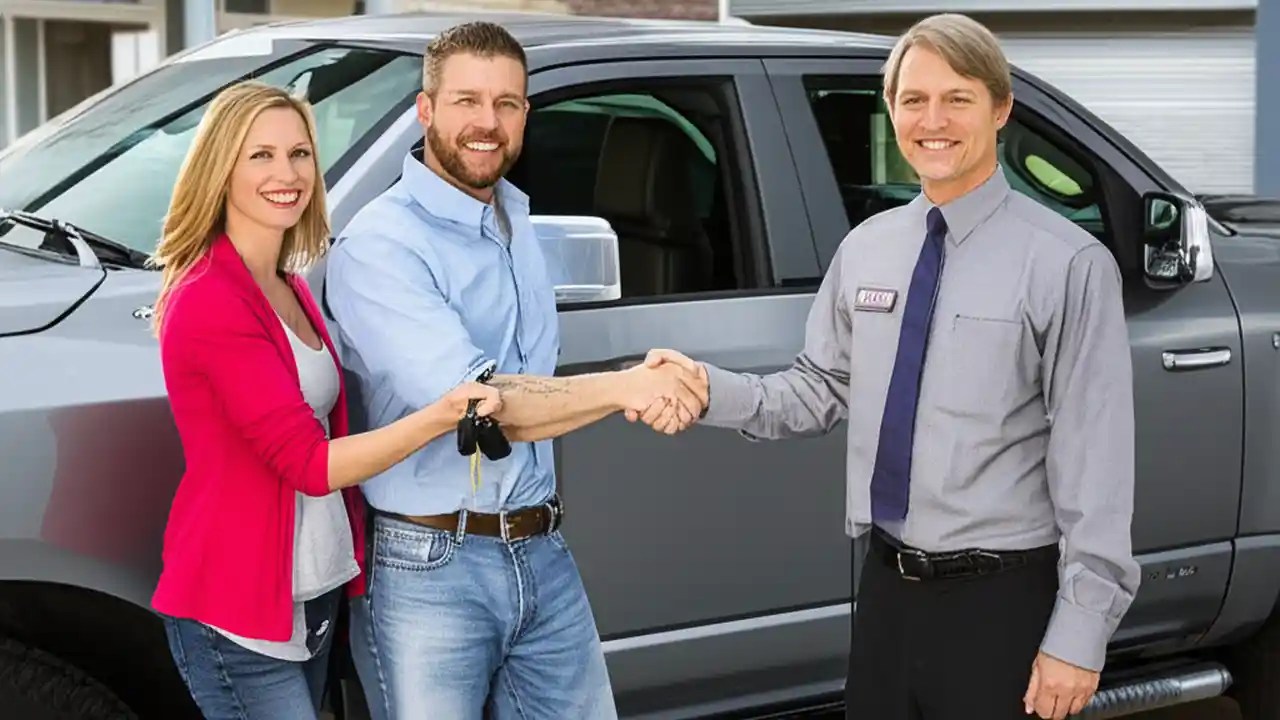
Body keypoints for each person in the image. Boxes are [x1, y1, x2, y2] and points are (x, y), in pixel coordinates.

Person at [633, 13, 1141, 720]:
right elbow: (819, 389)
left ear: (1001, 109)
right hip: (886, 588)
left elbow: (1098, 467)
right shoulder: (869, 249)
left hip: (1003, 603)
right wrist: (706, 389)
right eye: (913, 100)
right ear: (892, 111)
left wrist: (1080, 636)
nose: (932, 120)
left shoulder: (1066, 264)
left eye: (957, 99)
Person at [321, 20, 706, 720]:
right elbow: (484, 402)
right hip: (429, 563)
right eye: (467, 101)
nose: (487, 123)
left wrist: (632, 386)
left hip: (542, 549)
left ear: (526, 114)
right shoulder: (381, 245)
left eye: (507, 104)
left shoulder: (515, 219)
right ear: (426, 109)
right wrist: (631, 386)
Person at [147, 80, 502, 720]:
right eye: (260, 156)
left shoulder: (288, 285)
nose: (287, 174)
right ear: (220, 169)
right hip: (239, 617)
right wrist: (444, 413)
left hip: (308, 597)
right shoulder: (210, 301)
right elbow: (310, 465)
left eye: (299, 154)